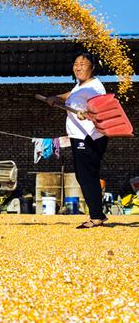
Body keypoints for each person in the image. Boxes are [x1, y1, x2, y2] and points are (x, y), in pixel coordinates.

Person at [46, 53, 108, 229]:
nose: (78, 67)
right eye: (75, 64)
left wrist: (88, 112)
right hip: (79, 136)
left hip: (89, 137)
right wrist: (57, 98)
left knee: (86, 175)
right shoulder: (81, 86)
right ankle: (97, 215)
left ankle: (96, 217)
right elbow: (71, 95)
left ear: (92, 67)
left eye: (83, 64)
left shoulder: (95, 87)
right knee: (87, 175)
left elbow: (102, 106)